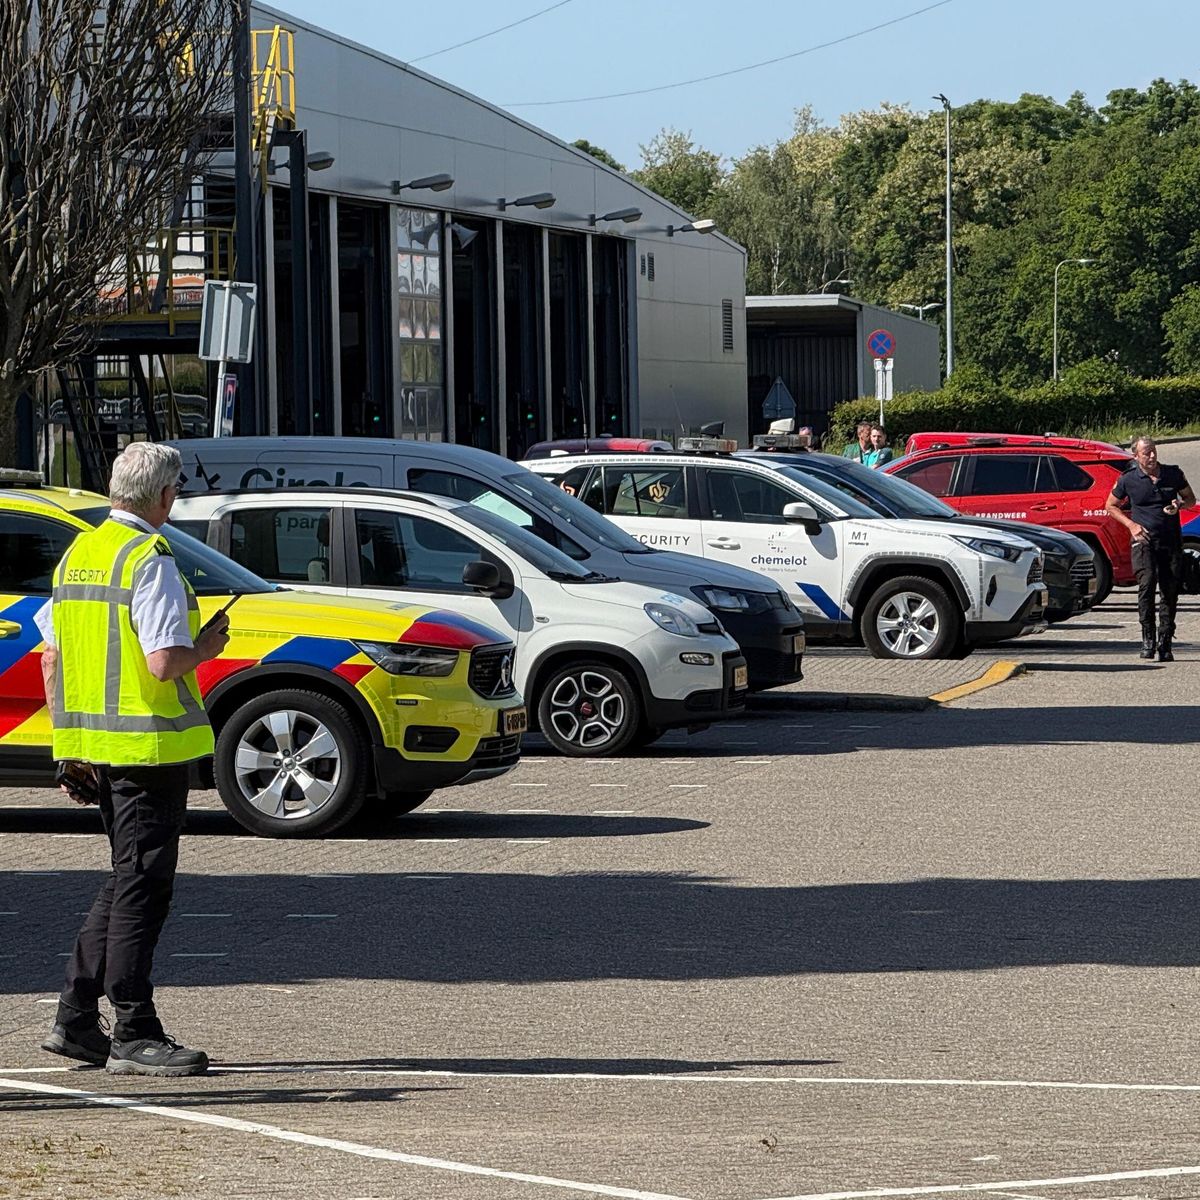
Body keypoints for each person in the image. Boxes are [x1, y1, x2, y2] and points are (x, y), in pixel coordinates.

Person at [36, 442, 230, 1076]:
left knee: (126, 879)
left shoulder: (79, 555)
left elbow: (52, 658)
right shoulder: (150, 558)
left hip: (96, 746)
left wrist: (70, 748)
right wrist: (206, 645)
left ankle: (75, 1020)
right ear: (166, 496)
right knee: (143, 887)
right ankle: (132, 1028)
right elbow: (164, 660)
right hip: (147, 749)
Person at [1104, 436, 1195, 661]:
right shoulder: (1128, 479)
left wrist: (1179, 505)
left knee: (1170, 590)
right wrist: (1131, 525)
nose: (1152, 456)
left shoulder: (1173, 474)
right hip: (1143, 541)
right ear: (1136, 456)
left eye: (1154, 451)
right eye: (1146, 453)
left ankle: (1165, 641)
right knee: (1146, 586)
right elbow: (1110, 506)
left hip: (1170, 540)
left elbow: (1190, 499)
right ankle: (1148, 639)